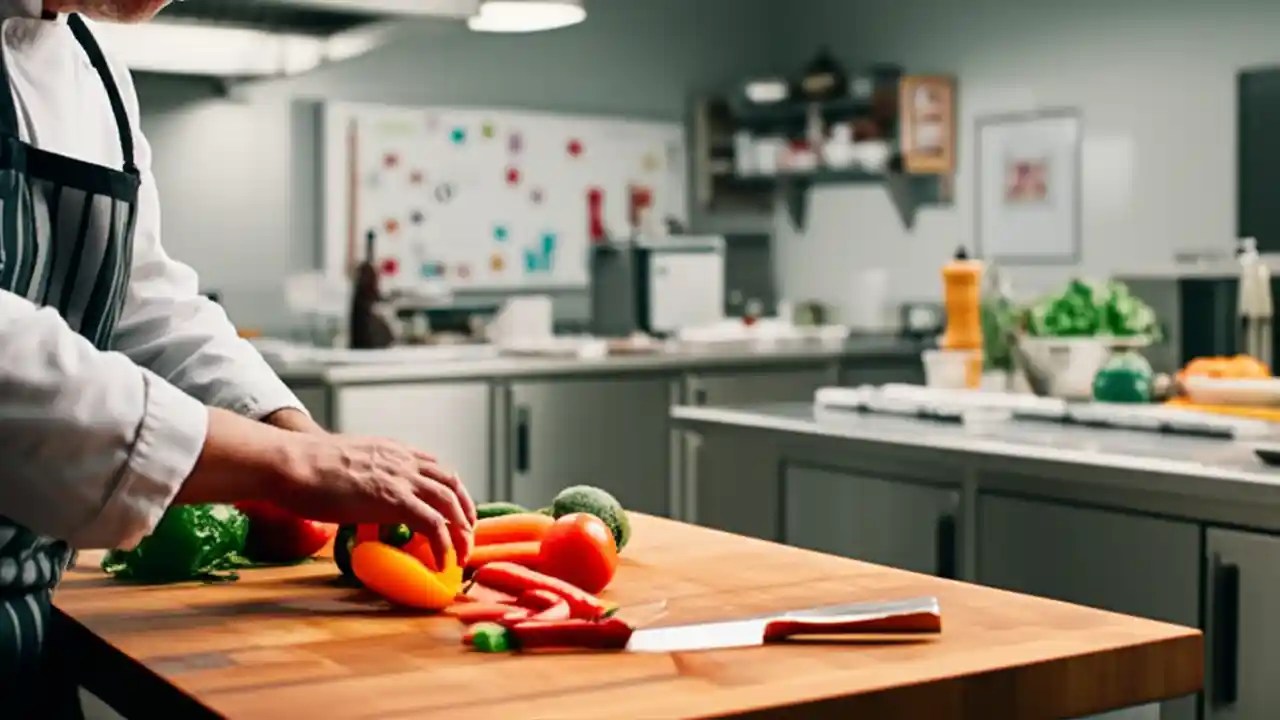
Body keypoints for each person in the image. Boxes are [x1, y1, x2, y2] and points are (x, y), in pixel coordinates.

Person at [0, 0, 476, 712]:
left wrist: (303, 440)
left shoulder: (95, 70)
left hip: (25, 621)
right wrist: (286, 466)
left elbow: (141, 301)